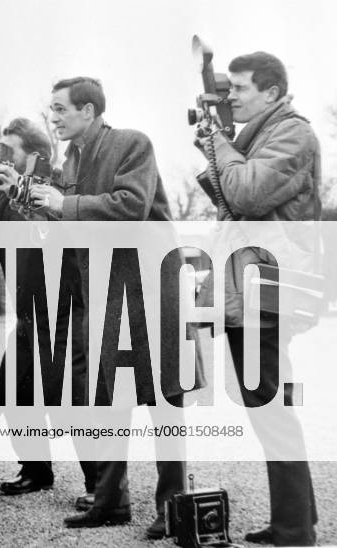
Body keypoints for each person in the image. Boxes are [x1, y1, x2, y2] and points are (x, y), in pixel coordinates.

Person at [29, 77, 193, 538]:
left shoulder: (132, 144)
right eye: (52, 109)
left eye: (60, 109)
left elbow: (131, 205)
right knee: (108, 400)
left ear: (88, 110)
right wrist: (43, 210)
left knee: (164, 401)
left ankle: (173, 507)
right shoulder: (71, 160)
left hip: (150, 291)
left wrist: (66, 203)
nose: (54, 117)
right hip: (106, 293)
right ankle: (110, 502)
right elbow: (76, 226)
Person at [195, 51, 319, 547]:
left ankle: (295, 530)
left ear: (271, 92)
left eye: (240, 89)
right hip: (251, 286)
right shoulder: (261, 135)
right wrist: (217, 147)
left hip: (266, 289)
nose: (230, 98)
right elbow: (234, 199)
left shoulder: (292, 132)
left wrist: (219, 142)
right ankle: (295, 520)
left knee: (270, 407)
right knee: (270, 406)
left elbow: (245, 194)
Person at [0, 118, 96, 504]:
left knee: (74, 406)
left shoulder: (60, 186)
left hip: (64, 315)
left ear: (33, 155)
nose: (0, 160)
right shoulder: (4, 202)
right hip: (28, 319)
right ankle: (36, 470)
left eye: (8, 151)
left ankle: (100, 486)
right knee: (12, 397)